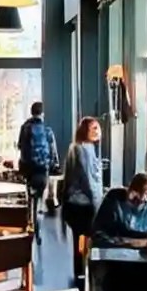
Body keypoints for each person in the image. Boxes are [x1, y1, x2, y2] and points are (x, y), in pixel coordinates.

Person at [61, 116, 104, 280]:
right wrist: (97, 205)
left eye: (98, 128)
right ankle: (85, 274)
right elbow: (89, 180)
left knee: (79, 240)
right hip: (83, 204)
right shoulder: (85, 149)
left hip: (73, 203)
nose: (97, 131)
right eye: (93, 128)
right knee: (87, 240)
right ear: (84, 130)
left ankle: (79, 272)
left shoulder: (76, 147)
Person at [17, 102, 58, 236]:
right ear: (42, 114)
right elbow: (53, 150)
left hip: (29, 168)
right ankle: (39, 219)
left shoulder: (25, 128)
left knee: (30, 194)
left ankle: (30, 221)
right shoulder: (47, 130)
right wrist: (54, 165)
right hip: (43, 169)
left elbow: (20, 146)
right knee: (41, 195)